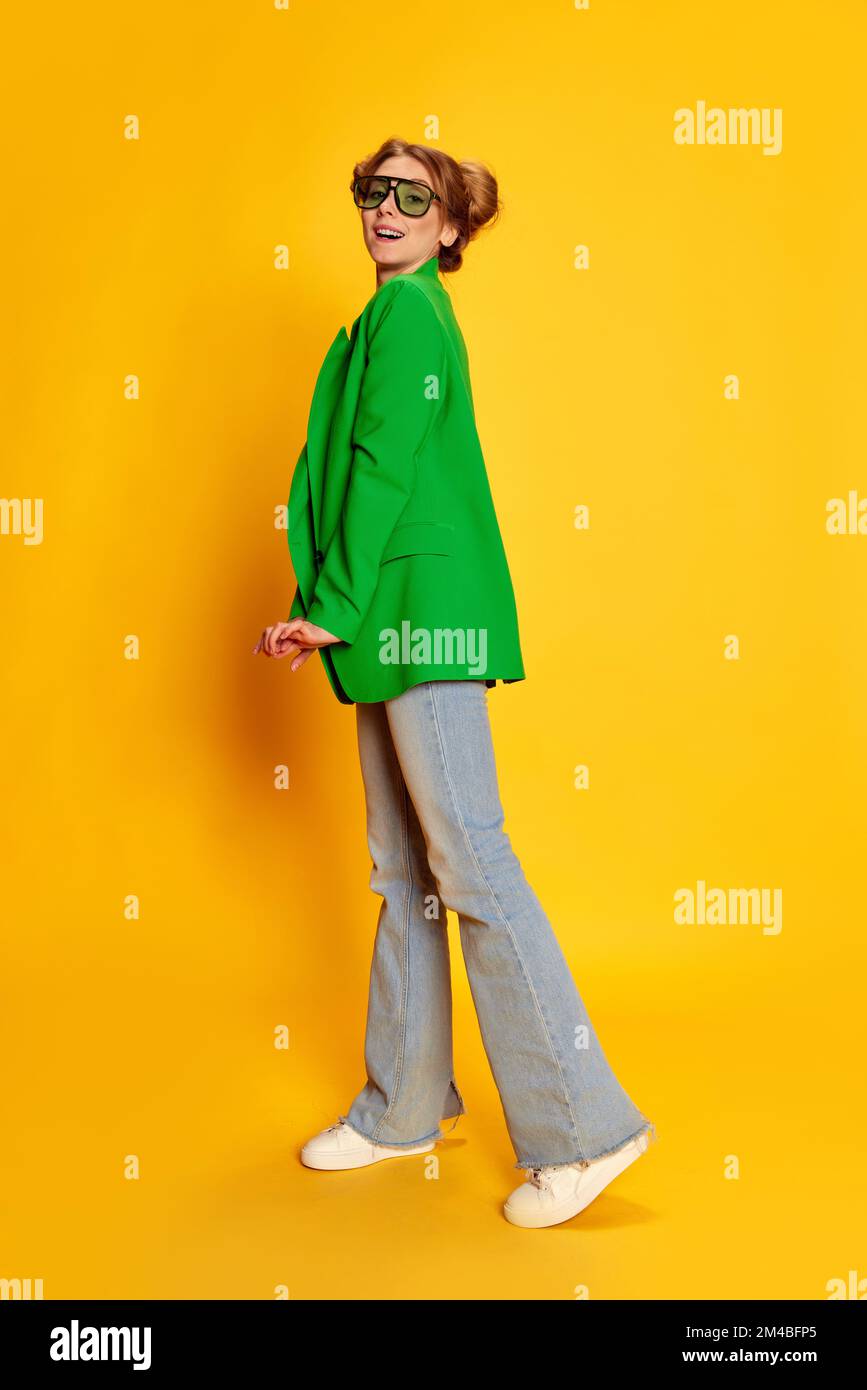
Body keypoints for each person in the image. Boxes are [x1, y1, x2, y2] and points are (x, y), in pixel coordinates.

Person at [254, 137, 657, 1228]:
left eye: (410, 197)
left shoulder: (413, 319)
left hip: (418, 618)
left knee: (468, 859)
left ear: (447, 227)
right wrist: (336, 610)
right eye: (371, 193)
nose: (385, 210)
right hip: (388, 616)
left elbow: (381, 468)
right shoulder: (393, 318)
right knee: (407, 867)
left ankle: (583, 1131)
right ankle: (405, 1106)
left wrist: (330, 608)